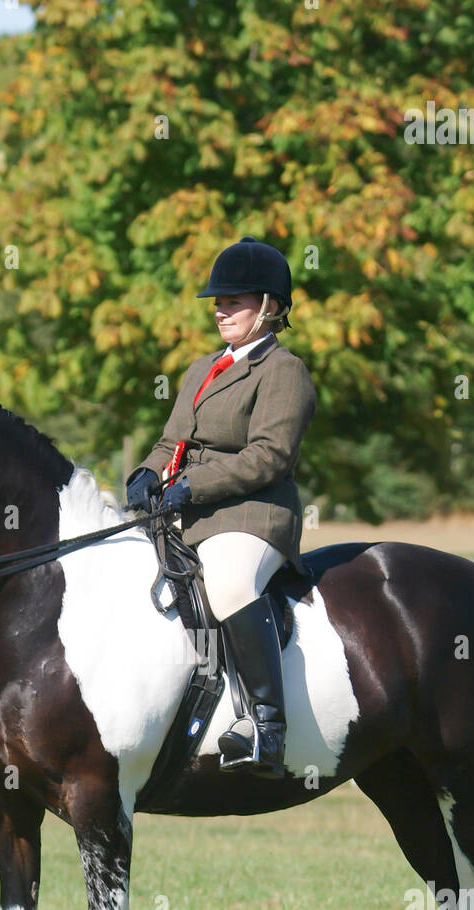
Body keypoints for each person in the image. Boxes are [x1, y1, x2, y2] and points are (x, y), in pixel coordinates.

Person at [126, 236, 317, 776]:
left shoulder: (284, 371)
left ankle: (267, 727)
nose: (220, 309)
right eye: (217, 301)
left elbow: (270, 456)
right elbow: (172, 443)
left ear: (270, 307)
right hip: (190, 512)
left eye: (234, 300)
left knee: (230, 583)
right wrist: (146, 473)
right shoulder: (201, 368)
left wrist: (195, 485)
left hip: (252, 516)